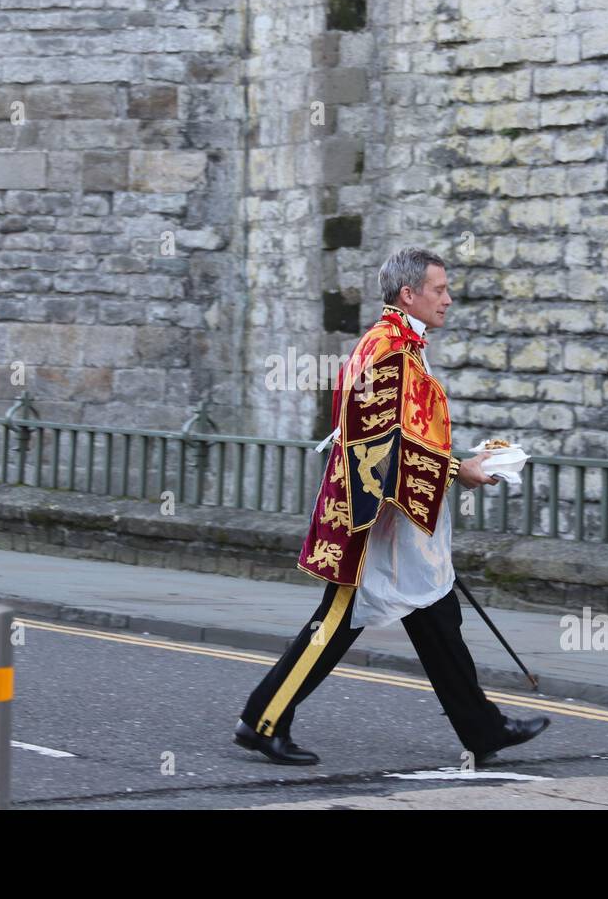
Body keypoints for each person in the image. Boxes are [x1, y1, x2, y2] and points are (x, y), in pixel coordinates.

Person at [234, 247, 550, 766]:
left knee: (436, 614)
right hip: (372, 516)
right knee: (337, 621)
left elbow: (405, 431)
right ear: (410, 294)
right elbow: (383, 443)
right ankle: (262, 719)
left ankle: (483, 730)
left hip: (393, 513)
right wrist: (459, 470)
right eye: (440, 289)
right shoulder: (389, 350)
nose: (448, 298)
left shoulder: (402, 344)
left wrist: (454, 466)